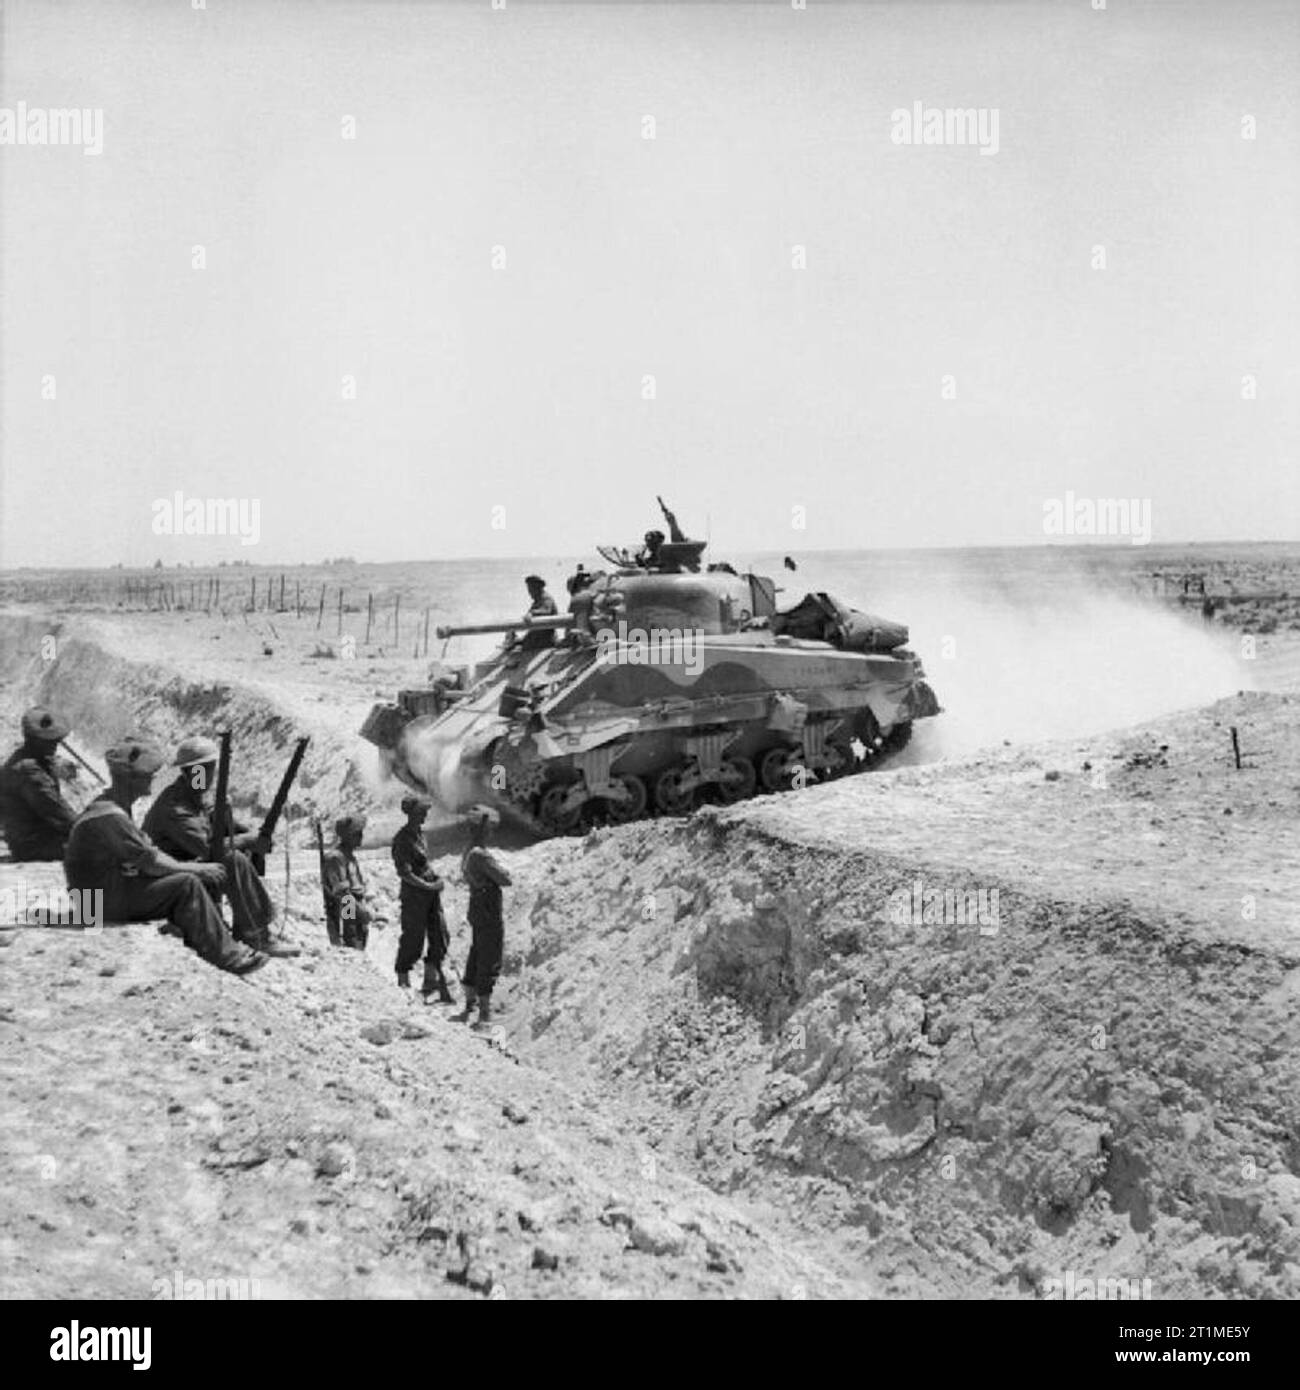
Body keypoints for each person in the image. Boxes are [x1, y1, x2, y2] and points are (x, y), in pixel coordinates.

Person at [63, 735, 267, 975]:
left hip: (103, 893)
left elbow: (149, 853)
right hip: (96, 904)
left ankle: (251, 934)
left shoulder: (116, 807)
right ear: (131, 780)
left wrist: (231, 826)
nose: (152, 780)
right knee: (187, 882)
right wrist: (203, 865)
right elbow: (160, 860)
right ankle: (228, 955)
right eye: (147, 776)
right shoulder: (113, 815)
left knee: (205, 871)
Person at [142, 736, 299, 958]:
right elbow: (208, 849)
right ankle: (255, 934)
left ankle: (222, 921)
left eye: (210, 769)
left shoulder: (193, 796)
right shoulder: (174, 806)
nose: (210, 775)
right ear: (192, 772)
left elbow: (218, 825)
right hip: (162, 881)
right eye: (206, 770)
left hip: (179, 874)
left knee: (237, 850)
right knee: (231, 859)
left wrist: (247, 833)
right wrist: (248, 840)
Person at [453, 805, 512, 1030]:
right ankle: (484, 1013)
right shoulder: (479, 854)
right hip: (488, 910)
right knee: (488, 955)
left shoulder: (469, 850)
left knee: (477, 951)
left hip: (478, 907)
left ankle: (470, 1001)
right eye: (488, 828)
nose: (491, 831)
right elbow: (505, 879)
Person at [391, 794, 453, 1000]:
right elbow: (405, 872)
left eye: (425, 813)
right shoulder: (402, 839)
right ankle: (403, 981)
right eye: (421, 813)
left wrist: (436, 879)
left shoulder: (420, 835)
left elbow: (423, 864)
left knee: (440, 935)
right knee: (413, 938)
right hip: (414, 896)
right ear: (411, 814)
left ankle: (430, 981)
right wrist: (426, 885)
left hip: (429, 894)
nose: (424, 816)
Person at [0, 707, 78, 861]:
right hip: (34, 844)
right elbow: (57, 812)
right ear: (35, 740)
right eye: (51, 740)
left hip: (38, 838)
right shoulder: (30, 771)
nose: (56, 743)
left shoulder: (26, 759)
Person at [323, 813, 374, 949]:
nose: (361, 836)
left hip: (356, 906)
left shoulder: (349, 856)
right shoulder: (336, 858)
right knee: (352, 946)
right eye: (356, 833)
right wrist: (360, 912)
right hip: (347, 908)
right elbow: (342, 894)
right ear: (347, 836)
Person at [519, 575, 558, 652]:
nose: (529, 593)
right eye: (529, 589)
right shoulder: (536, 601)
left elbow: (546, 611)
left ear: (538, 587)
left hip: (545, 639)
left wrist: (532, 613)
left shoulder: (546, 598)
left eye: (531, 589)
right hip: (536, 637)